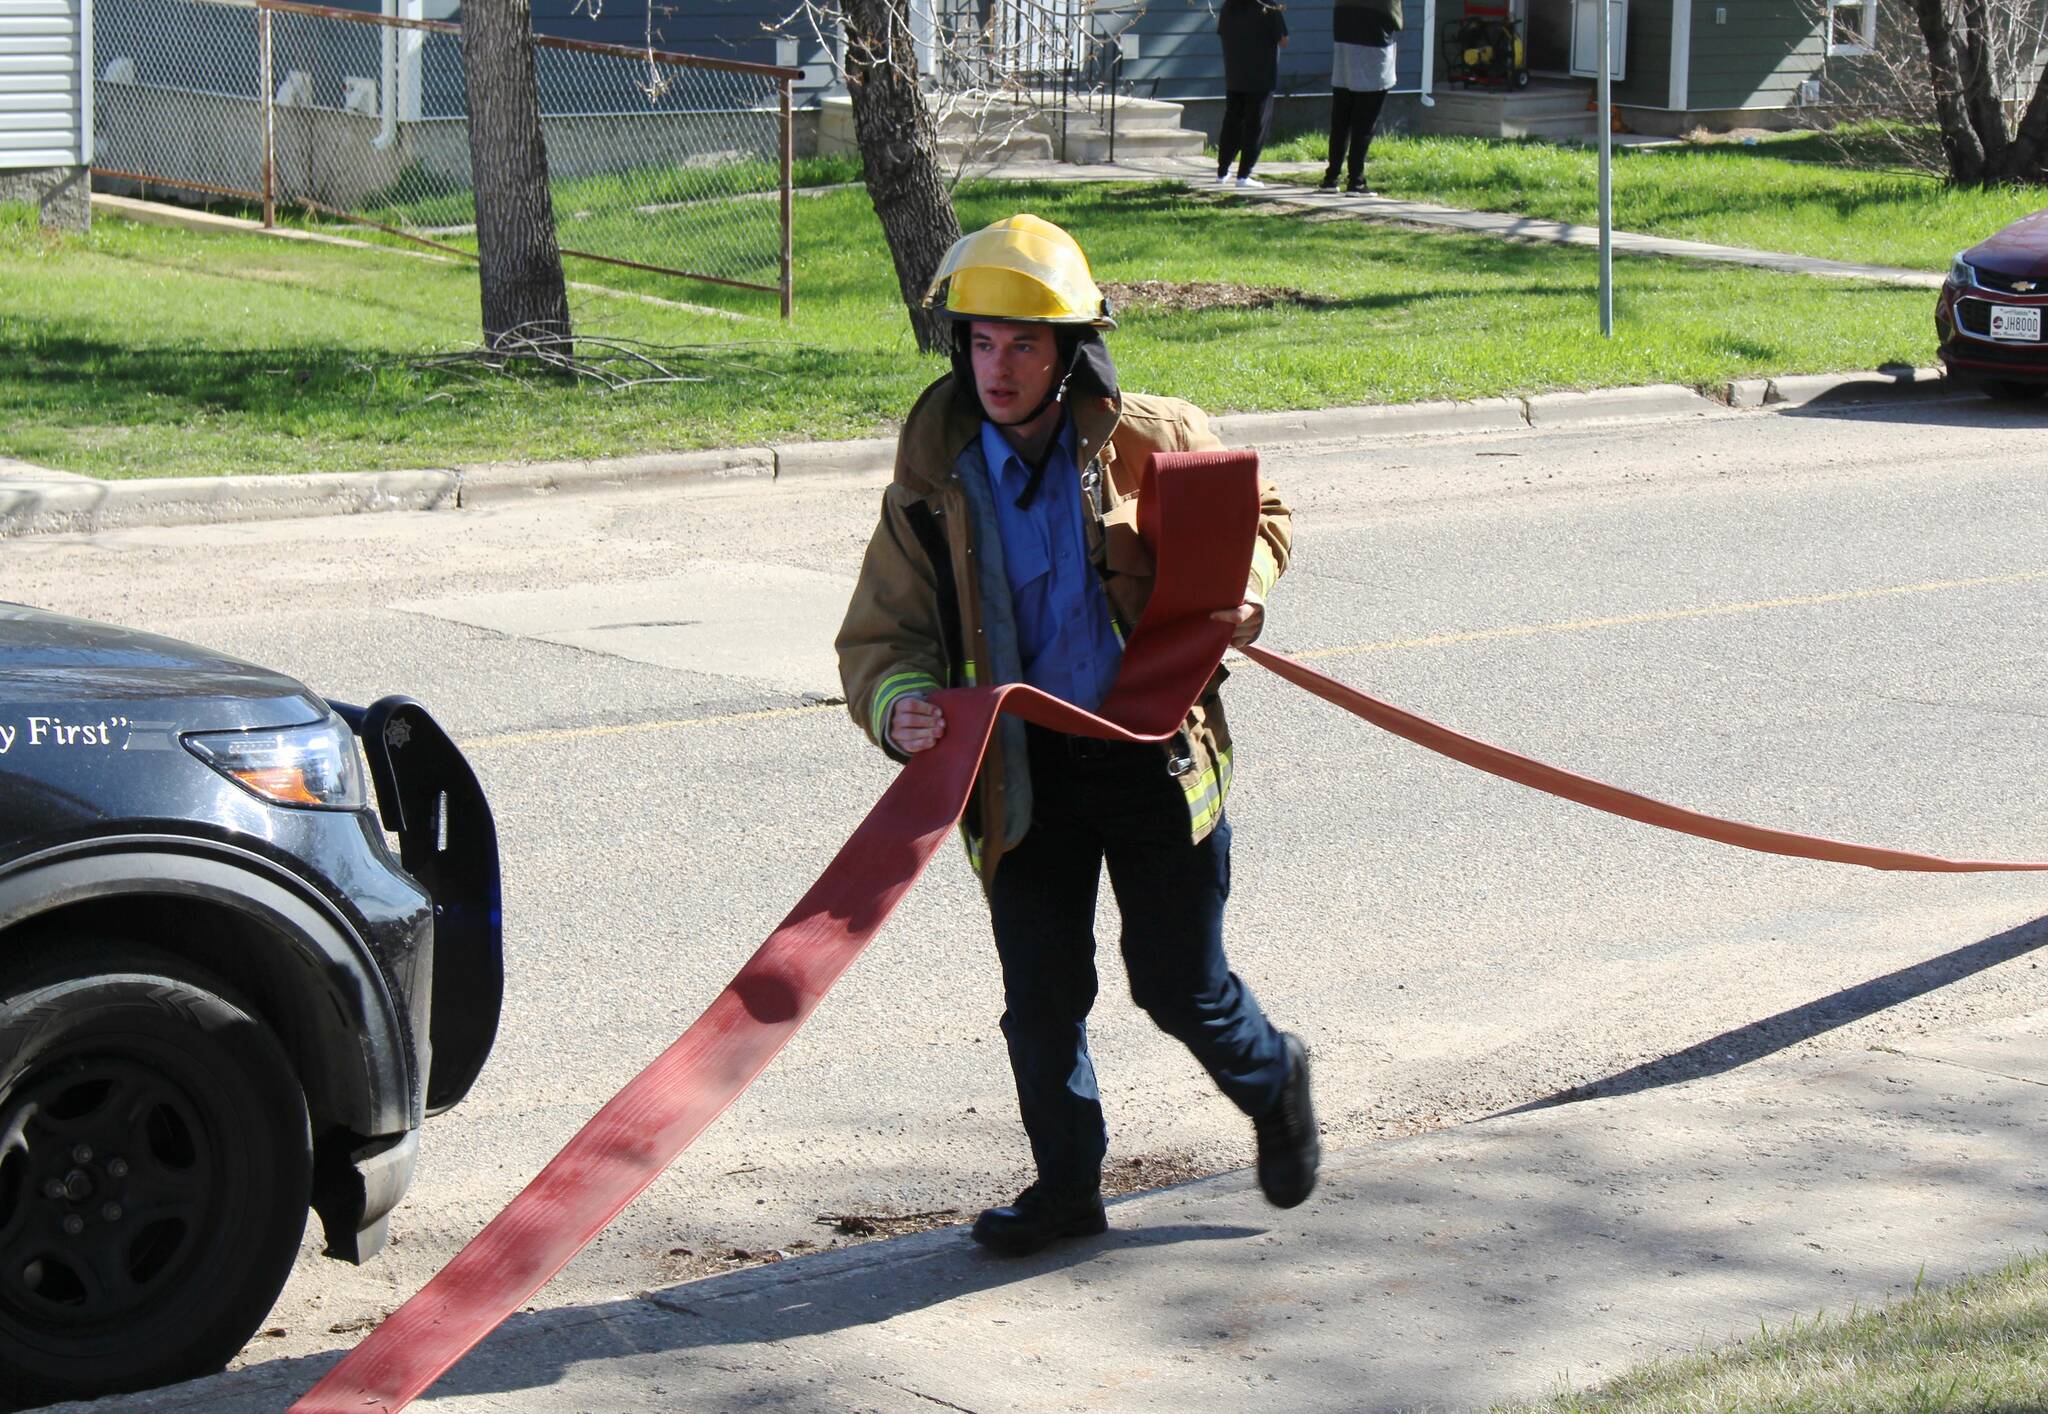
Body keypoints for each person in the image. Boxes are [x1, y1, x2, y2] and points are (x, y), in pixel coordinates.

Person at [835, 214, 1320, 1256]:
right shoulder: (930, 485)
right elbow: (881, 637)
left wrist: (1241, 590)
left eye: (1022, 344)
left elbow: (1264, 510)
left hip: (1156, 764)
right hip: (1020, 782)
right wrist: (899, 704)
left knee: (1176, 985)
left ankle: (1274, 1079)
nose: (995, 367)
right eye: (978, 342)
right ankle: (1066, 1192)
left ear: (1068, 353)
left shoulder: (1152, 436)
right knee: (1039, 1002)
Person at [1322, 0, 1400, 195]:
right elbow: (1395, 20)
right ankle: (1356, 181)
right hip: (1374, 53)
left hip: (1344, 54)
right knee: (1364, 124)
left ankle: (1331, 178)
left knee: (1341, 122)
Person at [1216, 0, 1289, 189]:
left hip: (1235, 74)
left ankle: (1223, 170)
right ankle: (1244, 175)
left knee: (1232, 122)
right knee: (1256, 125)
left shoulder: (1228, 6)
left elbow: (1222, 34)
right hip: (1261, 76)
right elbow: (1283, 40)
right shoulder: (1267, 7)